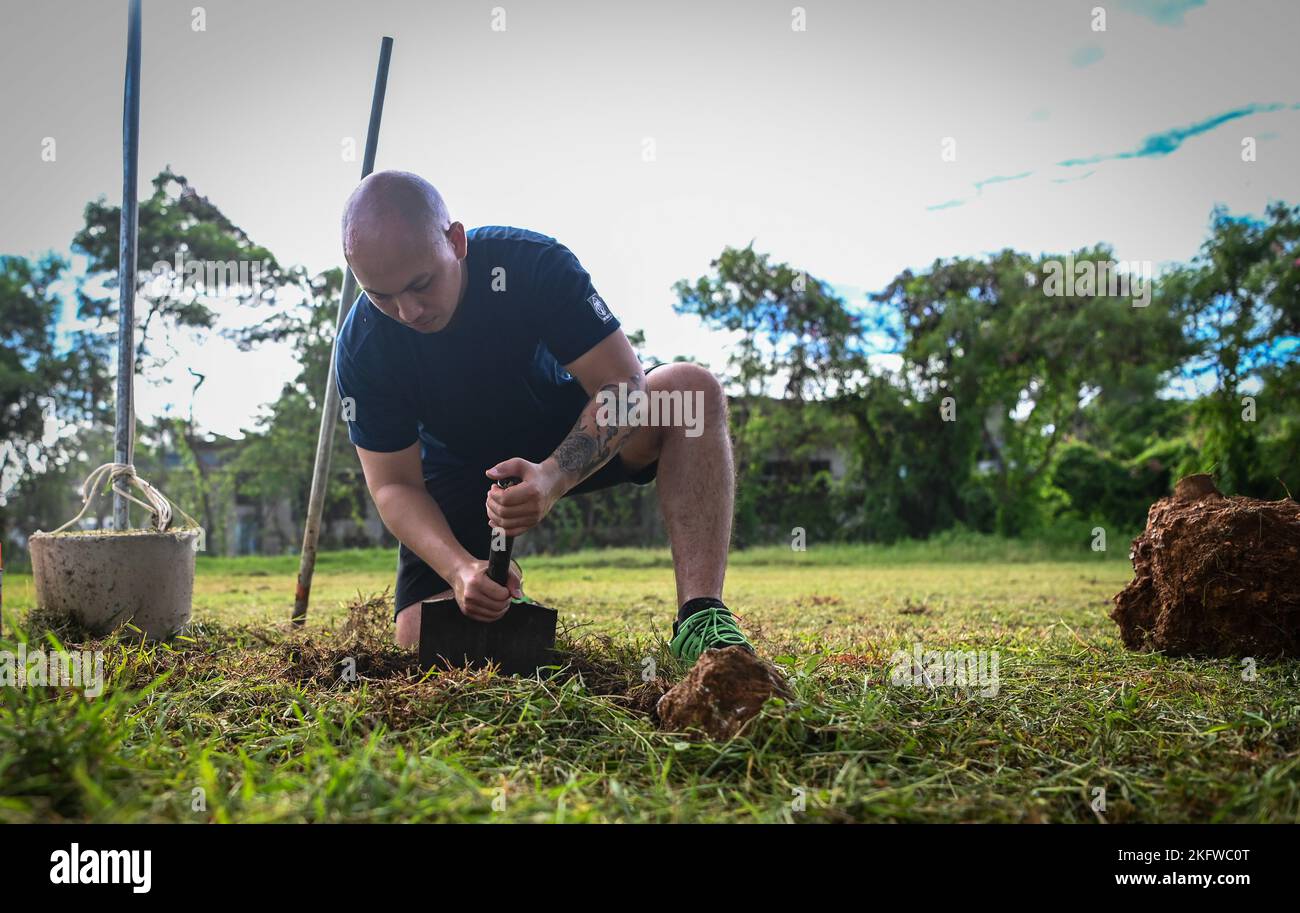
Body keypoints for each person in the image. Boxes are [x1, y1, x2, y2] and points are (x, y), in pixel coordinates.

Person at [335, 170, 752, 666]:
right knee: (423, 635)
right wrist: (459, 570)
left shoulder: (532, 264)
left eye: (420, 283)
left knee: (689, 391)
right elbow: (393, 487)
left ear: (455, 241)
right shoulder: (363, 347)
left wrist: (552, 477)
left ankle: (701, 617)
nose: (407, 311)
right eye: (381, 296)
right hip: (455, 471)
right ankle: (503, 600)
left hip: (566, 429)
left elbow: (623, 385)